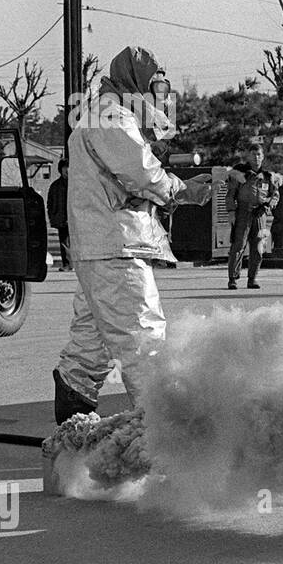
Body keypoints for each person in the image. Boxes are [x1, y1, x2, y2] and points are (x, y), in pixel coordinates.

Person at [52, 46, 213, 424]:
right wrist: (184, 191)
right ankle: (164, 441)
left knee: (87, 350)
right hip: (116, 248)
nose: (159, 97)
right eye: (155, 87)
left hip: (101, 248)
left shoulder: (100, 115)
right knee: (145, 343)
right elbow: (141, 174)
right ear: (137, 82)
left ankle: (73, 437)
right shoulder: (110, 116)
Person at [225, 141, 280, 290]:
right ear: (248, 156)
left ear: (263, 157)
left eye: (259, 154)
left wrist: (268, 204)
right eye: (253, 154)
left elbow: (275, 195)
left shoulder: (268, 176)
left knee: (258, 247)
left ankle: (252, 278)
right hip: (243, 212)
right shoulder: (240, 173)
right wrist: (231, 212)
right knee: (238, 246)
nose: (256, 157)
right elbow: (230, 195)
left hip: (260, 214)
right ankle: (233, 279)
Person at [46, 158, 70, 271]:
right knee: (63, 242)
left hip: (74, 218)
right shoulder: (55, 186)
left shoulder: (76, 184)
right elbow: (50, 203)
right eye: (64, 168)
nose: (67, 170)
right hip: (61, 219)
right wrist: (53, 217)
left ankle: (74, 264)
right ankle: (67, 264)